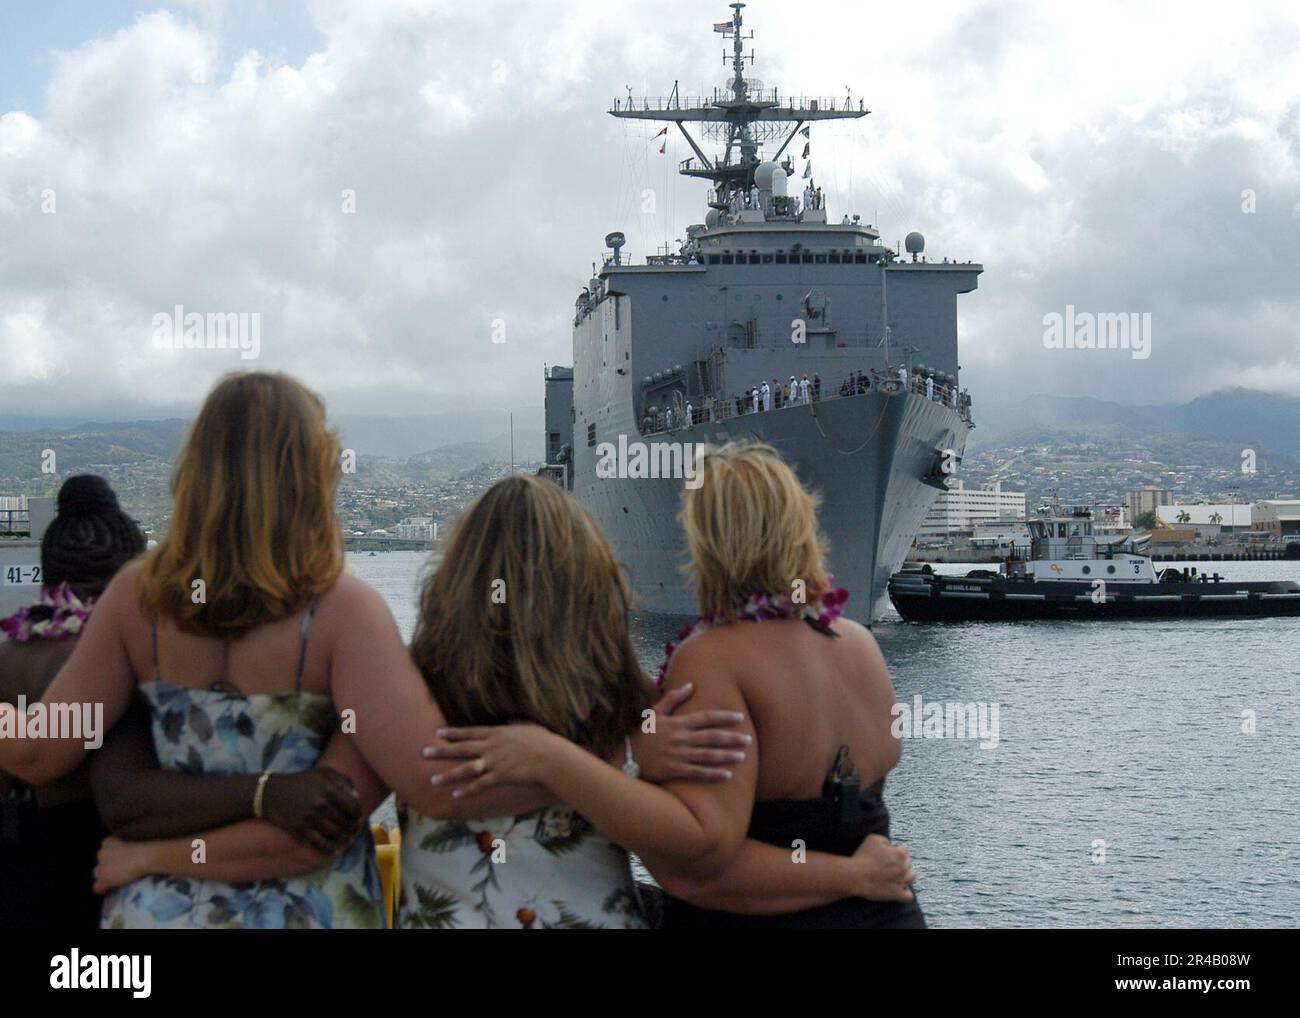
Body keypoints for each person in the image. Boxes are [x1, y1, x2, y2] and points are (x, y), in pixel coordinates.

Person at [427, 443, 924, 928]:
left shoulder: (712, 658)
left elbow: (700, 866)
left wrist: (575, 765)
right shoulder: (861, 647)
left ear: (707, 539)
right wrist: (855, 874)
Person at [0, 476, 144, 928]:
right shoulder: (145, 654)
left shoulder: (9, 653)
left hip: (24, 872)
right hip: (124, 868)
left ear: (48, 575)